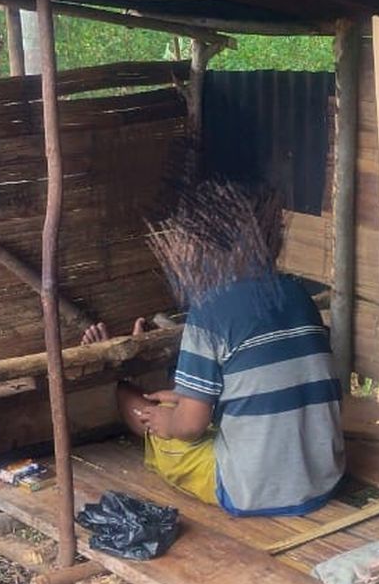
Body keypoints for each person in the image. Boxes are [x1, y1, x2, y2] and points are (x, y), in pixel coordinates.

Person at [81, 180, 345, 516]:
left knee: (147, 412)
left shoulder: (209, 314)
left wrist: (166, 421)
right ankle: (154, 390)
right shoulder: (297, 294)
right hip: (323, 478)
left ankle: (119, 379)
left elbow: (190, 427)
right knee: (180, 401)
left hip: (251, 490)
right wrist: (181, 403)